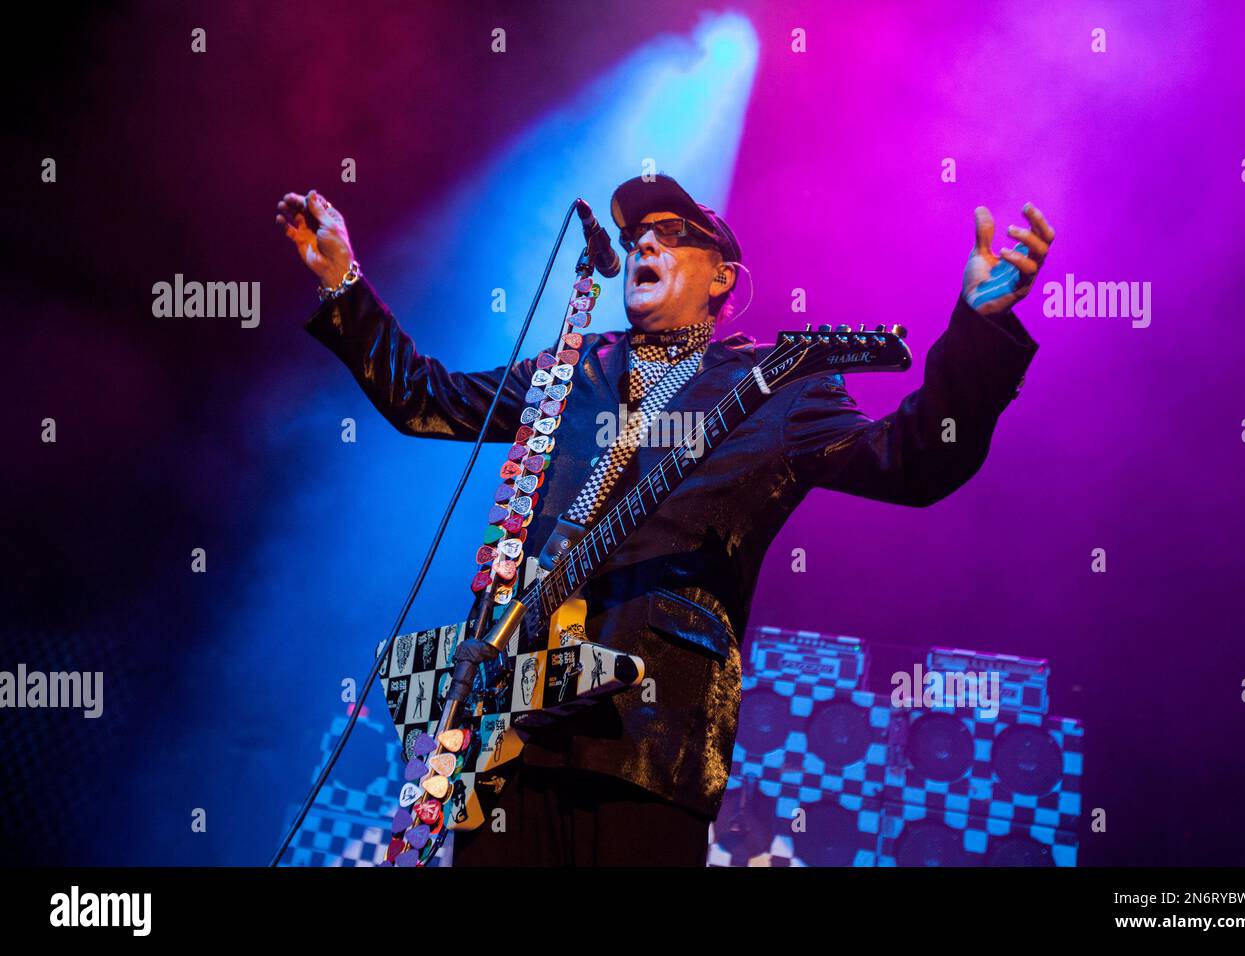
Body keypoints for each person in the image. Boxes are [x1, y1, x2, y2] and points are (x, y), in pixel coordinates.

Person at [276, 174, 1053, 865]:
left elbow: (914, 463)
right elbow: (427, 400)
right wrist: (345, 283)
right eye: (635, 236)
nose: (644, 242)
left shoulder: (776, 390)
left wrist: (976, 335)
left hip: (649, 743)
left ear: (722, 276)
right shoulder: (572, 369)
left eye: (673, 235)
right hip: (508, 736)